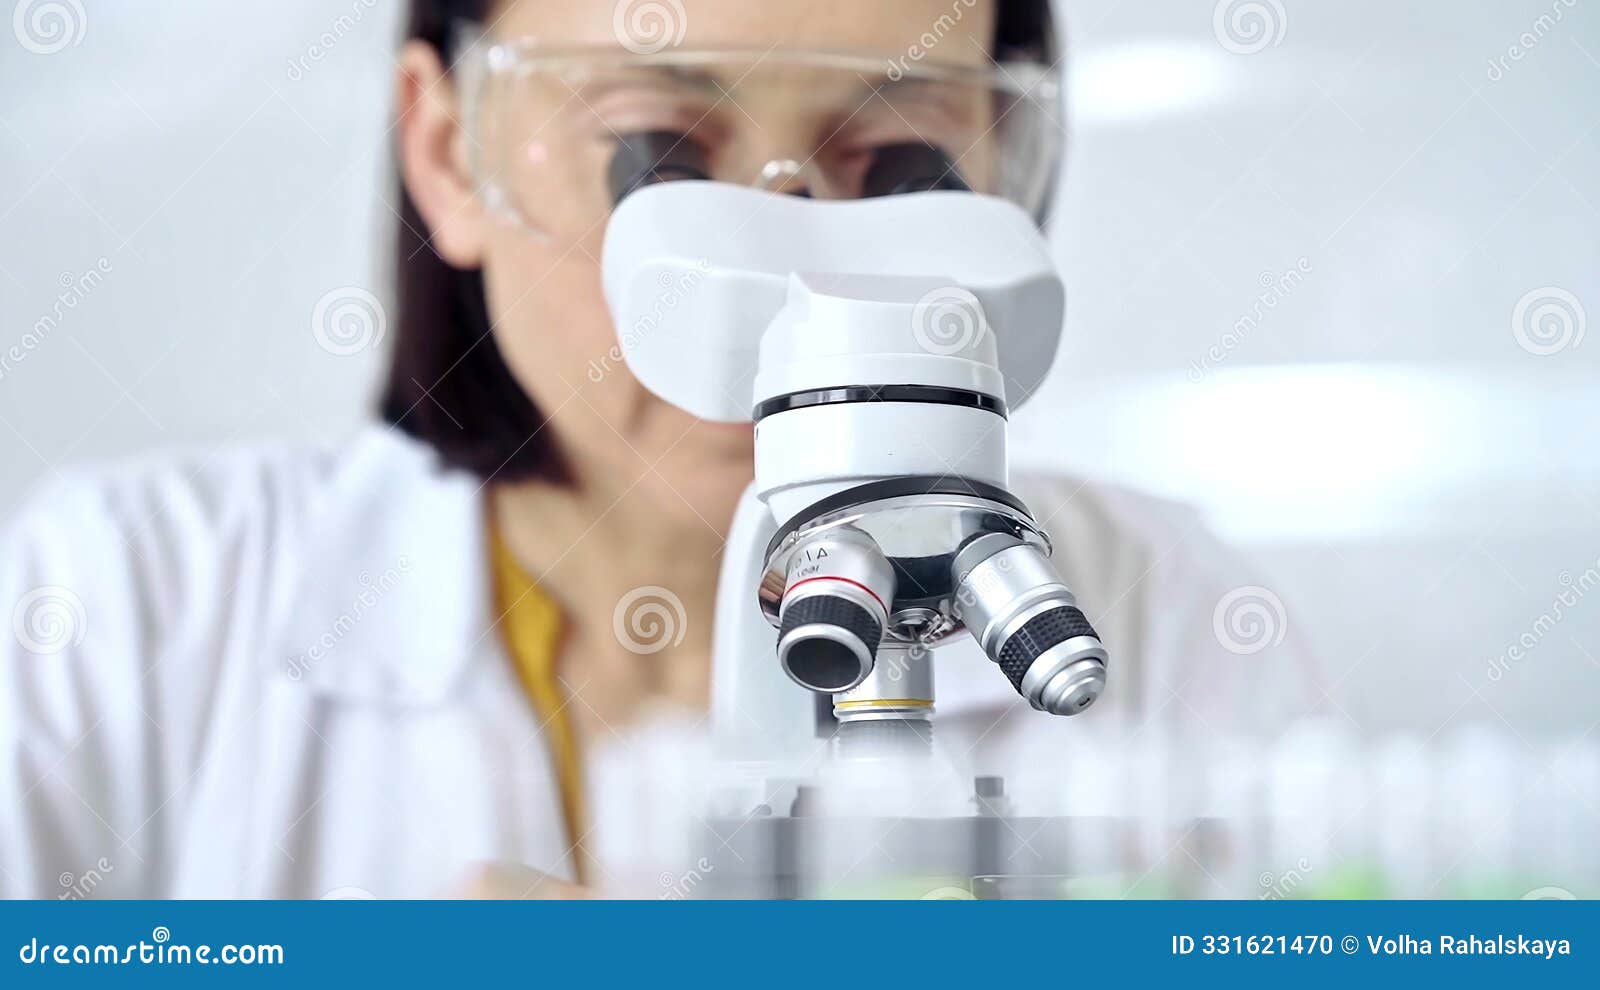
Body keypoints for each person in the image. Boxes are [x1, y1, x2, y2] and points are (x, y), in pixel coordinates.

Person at [0, 0, 1319, 899]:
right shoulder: (119, 610)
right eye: (658, 158)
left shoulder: (1170, 621)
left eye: (903, 166)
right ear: (450, 151)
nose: (790, 275)